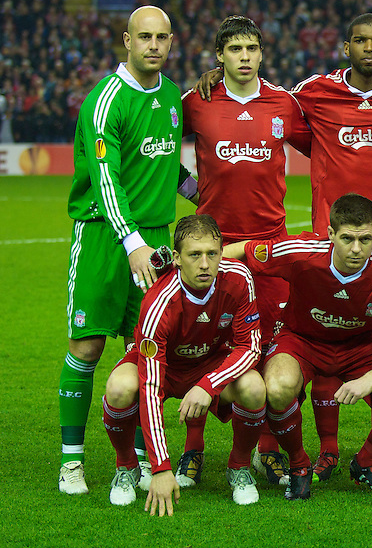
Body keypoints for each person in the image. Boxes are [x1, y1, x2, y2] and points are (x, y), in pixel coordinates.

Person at [198, 13, 372, 483]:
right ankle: (308, 448)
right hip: (328, 241)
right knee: (316, 336)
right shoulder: (310, 93)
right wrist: (219, 79)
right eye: (361, 41)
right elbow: (265, 107)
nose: (370, 48)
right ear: (346, 47)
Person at [60, 5, 197, 495]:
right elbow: (106, 179)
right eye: (145, 37)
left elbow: (168, 170)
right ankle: (71, 462)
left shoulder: (173, 100)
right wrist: (132, 240)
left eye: (162, 37)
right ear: (127, 40)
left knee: (146, 352)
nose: (154, 46)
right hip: (104, 237)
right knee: (88, 346)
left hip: (158, 239)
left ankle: (142, 458)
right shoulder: (105, 101)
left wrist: (208, 196)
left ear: (171, 41)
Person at [179, 15, 310, 488]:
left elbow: (323, 147)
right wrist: (194, 191)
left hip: (269, 245)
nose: (245, 57)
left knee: (271, 346)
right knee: (206, 344)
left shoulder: (284, 104)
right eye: (235, 49)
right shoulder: (196, 102)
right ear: (220, 55)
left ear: (261, 53)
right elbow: (157, 153)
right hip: (210, 247)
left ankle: (266, 450)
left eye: (252, 48)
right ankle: (192, 450)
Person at [225, 193, 372, 500]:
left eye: (365, 239)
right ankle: (300, 465)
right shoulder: (300, 252)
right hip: (302, 341)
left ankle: (368, 459)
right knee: (277, 387)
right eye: (347, 238)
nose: (356, 249)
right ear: (331, 235)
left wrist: (371, 379)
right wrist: (195, 265)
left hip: (362, 345)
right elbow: (240, 251)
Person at [101, 215, 265, 515]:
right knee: (119, 388)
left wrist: (208, 385)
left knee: (254, 387)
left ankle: (239, 467)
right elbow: (150, 387)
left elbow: (250, 346)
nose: (205, 264)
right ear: (176, 258)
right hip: (165, 368)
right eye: (194, 255)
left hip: (210, 363)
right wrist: (161, 468)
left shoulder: (239, 279)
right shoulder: (158, 301)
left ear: (221, 251)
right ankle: (127, 466)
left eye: (212, 254)